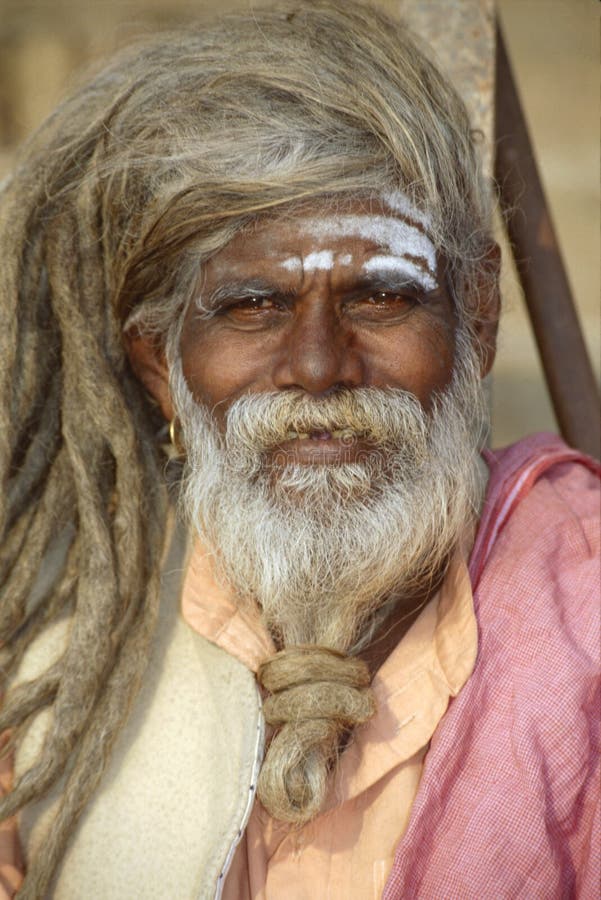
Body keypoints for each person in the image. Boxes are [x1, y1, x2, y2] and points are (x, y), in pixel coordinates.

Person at [0, 1, 598, 897]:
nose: (318, 369)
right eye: (251, 308)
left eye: (381, 299)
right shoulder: (52, 660)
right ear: (159, 364)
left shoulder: (582, 614)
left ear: (475, 321)